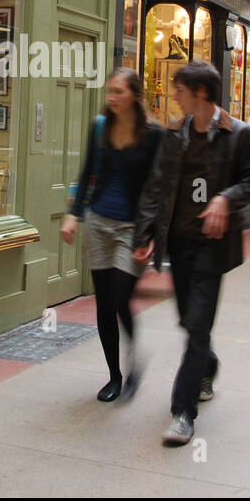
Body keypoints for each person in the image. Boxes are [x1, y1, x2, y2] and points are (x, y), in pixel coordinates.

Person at [133, 61, 250, 447]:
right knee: (191, 322)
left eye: (179, 90)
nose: (174, 96)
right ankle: (209, 364)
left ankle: (182, 412)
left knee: (197, 325)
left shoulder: (239, 135)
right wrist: (146, 233)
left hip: (213, 247)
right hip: (180, 243)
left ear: (200, 93)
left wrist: (224, 198)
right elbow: (156, 186)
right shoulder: (174, 134)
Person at [62, 68, 163, 403]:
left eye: (119, 91)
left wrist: (148, 235)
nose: (112, 98)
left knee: (120, 298)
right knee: (104, 305)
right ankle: (114, 376)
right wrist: (74, 214)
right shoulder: (100, 127)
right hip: (99, 222)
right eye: (110, 92)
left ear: (134, 94)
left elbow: (156, 188)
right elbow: (87, 171)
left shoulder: (152, 135)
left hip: (132, 228)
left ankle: (135, 358)